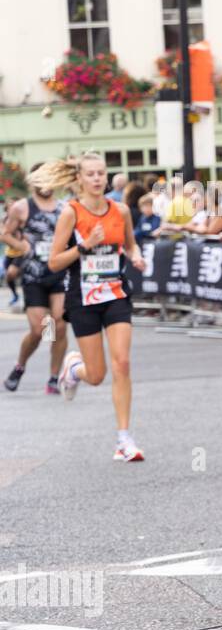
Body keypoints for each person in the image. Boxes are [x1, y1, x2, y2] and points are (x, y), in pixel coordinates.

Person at [38, 153, 147, 461]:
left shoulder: (121, 210)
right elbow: (55, 261)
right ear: (80, 179)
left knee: (122, 364)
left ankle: (124, 439)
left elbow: (129, 244)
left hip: (115, 293)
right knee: (97, 375)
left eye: (102, 173)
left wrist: (135, 256)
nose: (98, 179)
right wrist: (84, 246)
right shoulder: (71, 213)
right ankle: (74, 368)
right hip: (83, 298)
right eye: (91, 174)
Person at [2, 175, 69, 394]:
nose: (47, 185)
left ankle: (53, 378)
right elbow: (5, 233)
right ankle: (20, 366)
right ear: (33, 183)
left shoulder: (64, 207)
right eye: (42, 181)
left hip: (59, 273)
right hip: (34, 276)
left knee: (58, 325)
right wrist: (23, 248)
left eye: (51, 181)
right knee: (41, 329)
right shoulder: (22, 208)